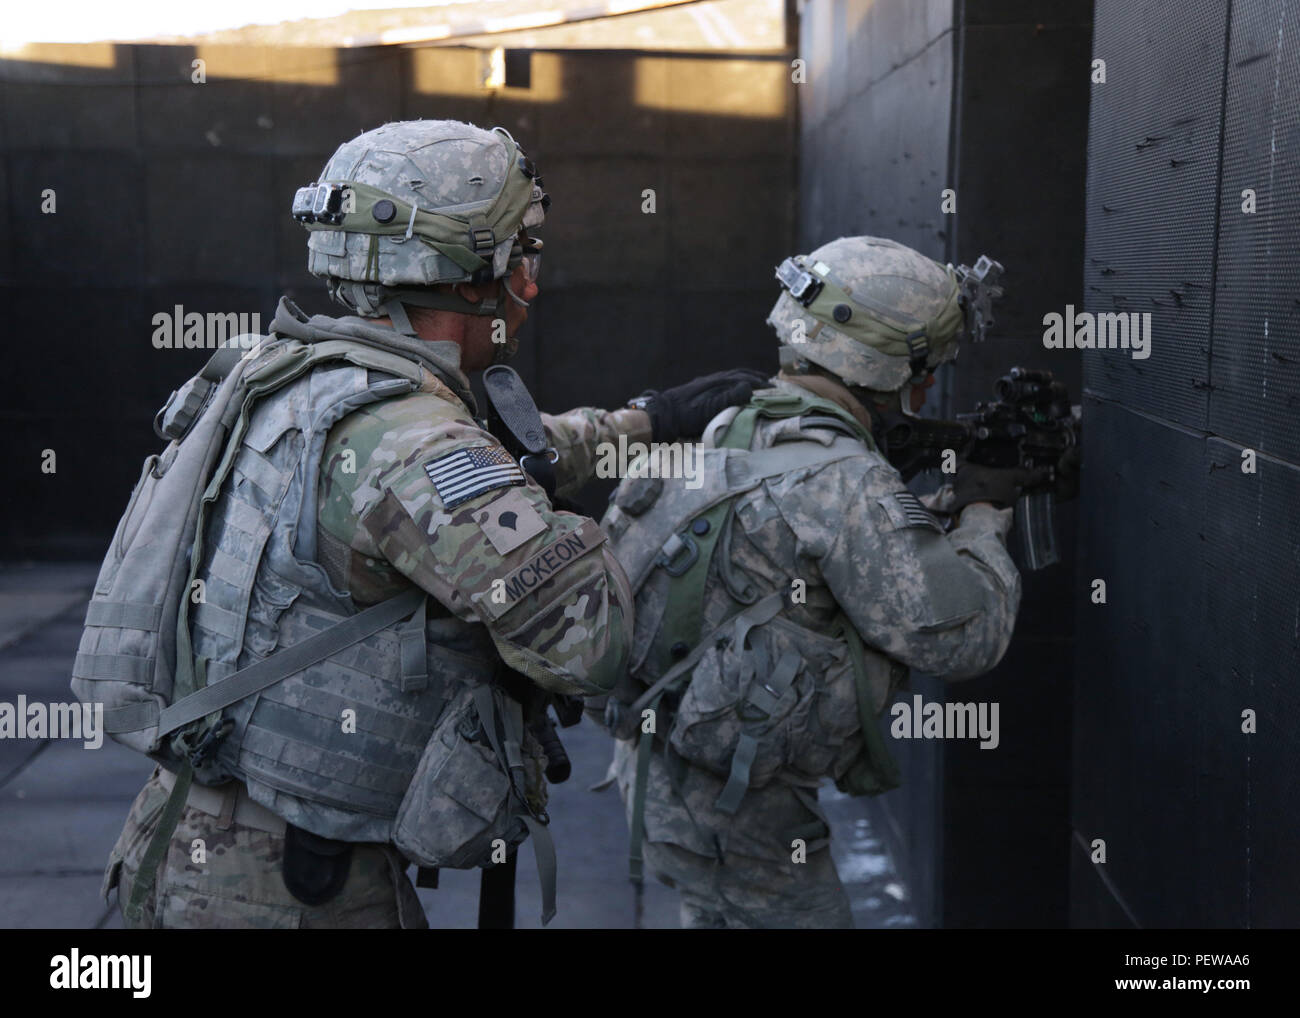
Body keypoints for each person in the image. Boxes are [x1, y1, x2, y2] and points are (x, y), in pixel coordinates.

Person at [95, 119, 759, 929]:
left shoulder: (282, 374)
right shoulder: (414, 438)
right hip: (296, 894)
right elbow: (590, 640)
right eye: (522, 257)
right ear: (475, 276)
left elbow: (503, 458)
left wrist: (650, 422)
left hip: (175, 841)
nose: (532, 285)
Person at [595, 235, 1028, 928]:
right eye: (927, 373)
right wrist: (982, 519)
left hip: (664, 774)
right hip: (744, 817)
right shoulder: (846, 481)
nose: (927, 392)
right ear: (899, 372)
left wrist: (926, 518)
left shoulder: (727, 428)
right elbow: (964, 639)